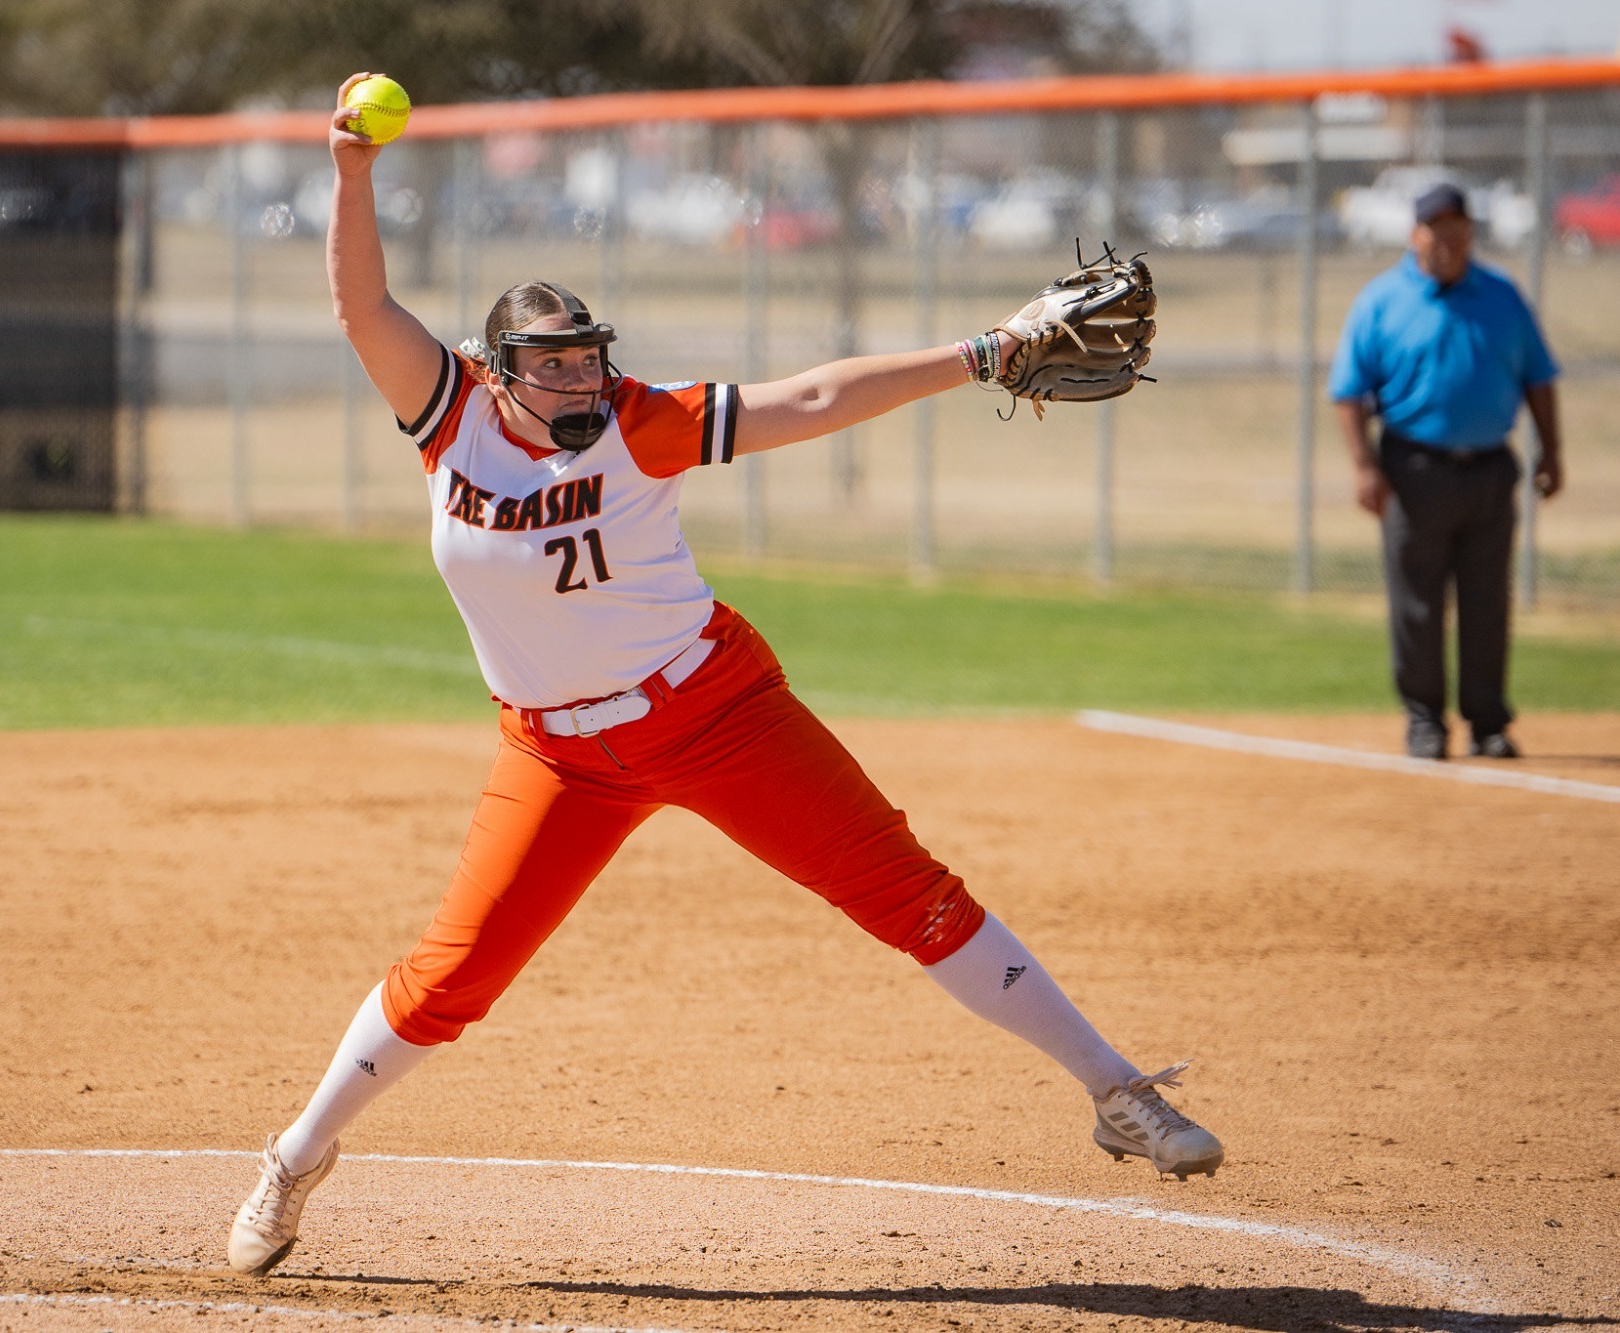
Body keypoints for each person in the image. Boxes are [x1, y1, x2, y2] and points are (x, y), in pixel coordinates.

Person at [226, 72, 1224, 1277]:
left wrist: (980, 353)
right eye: (552, 367)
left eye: (587, 359)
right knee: (454, 974)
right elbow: (359, 305)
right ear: (495, 373)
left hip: (712, 712)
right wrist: (350, 173)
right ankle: (294, 1158)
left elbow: (812, 395)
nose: (580, 382)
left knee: (907, 893)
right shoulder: (449, 419)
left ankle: (1116, 1091)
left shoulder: (641, 419)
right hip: (556, 753)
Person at [1330, 181, 1563, 761]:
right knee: (1417, 602)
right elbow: (1349, 392)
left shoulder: (1501, 295)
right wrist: (1364, 467)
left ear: (1470, 234)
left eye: (1458, 230)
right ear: (1416, 235)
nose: (1448, 241)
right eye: (1436, 230)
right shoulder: (1383, 300)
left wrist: (1552, 450)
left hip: (1490, 468)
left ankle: (1488, 723)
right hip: (1413, 469)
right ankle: (1424, 721)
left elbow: (1538, 377)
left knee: (1487, 602)